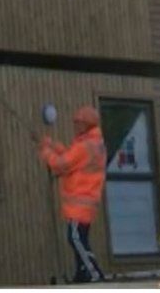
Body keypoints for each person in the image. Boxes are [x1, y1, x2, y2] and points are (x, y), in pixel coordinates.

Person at [38, 105, 108, 283]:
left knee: (75, 238)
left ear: (87, 125)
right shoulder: (93, 143)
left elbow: (62, 164)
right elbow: (72, 158)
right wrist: (53, 145)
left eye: (79, 123)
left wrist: (46, 151)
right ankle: (82, 273)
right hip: (86, 200)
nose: (75, 126)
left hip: (80, 201)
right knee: (80, 238)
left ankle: (93, 273)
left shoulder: (85, 146)